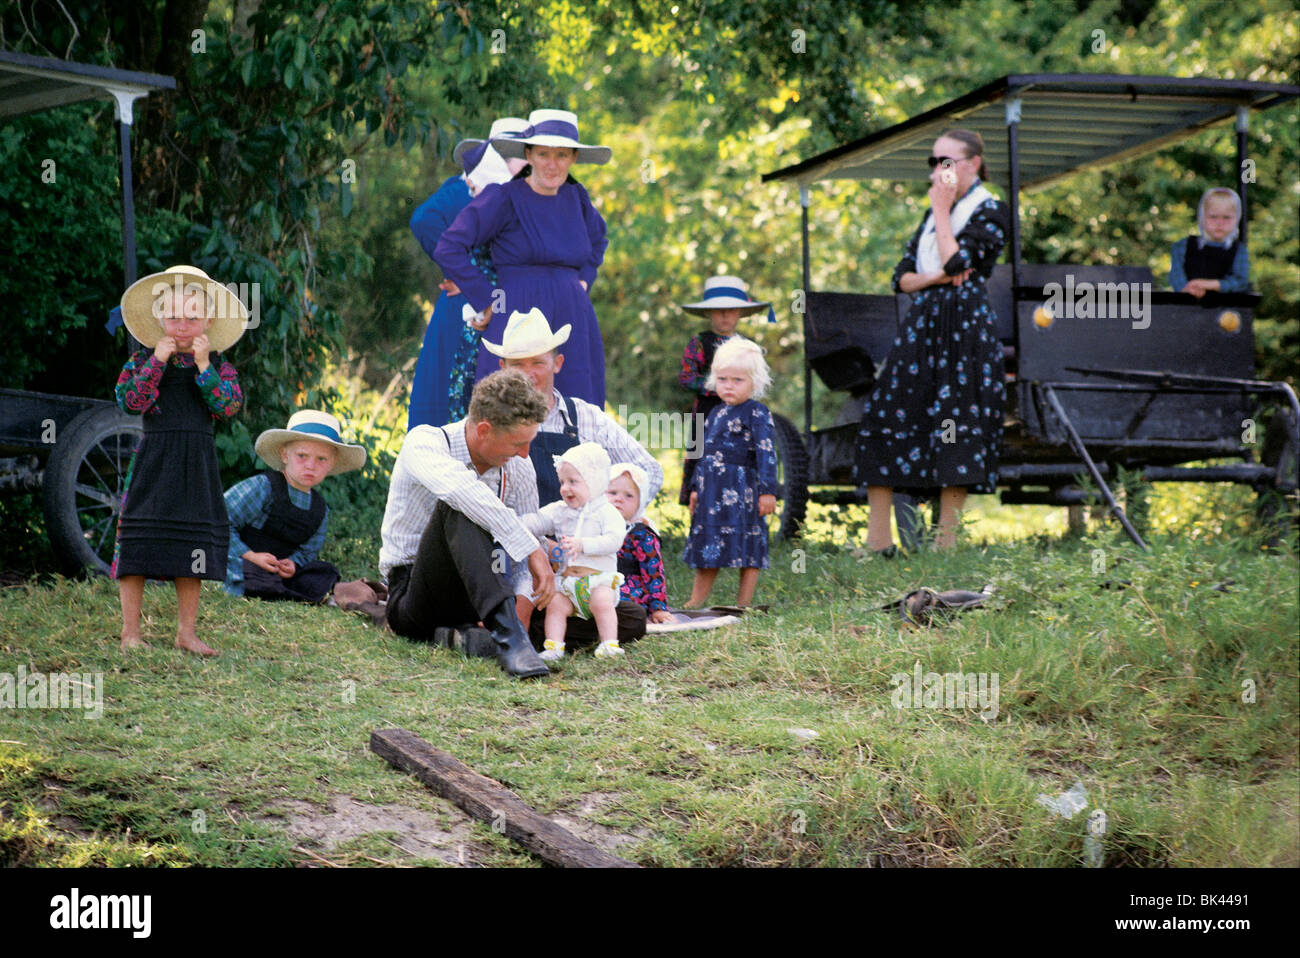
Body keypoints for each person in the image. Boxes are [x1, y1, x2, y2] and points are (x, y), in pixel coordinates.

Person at [853, 128, 1010, 553]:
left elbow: (960, 260)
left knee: (955, 424)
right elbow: (901, 278)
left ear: (974, 163)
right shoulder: (928, 218)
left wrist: (942, 212)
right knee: (886, 414)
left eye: (948, 162)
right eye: (934, 162)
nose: (940, 171)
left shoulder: (991, 211)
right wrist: (937, 275)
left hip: (964, 329)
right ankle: (878, 540)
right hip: (923, 324)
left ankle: (946, 541)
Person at [379, 370, 554, 679]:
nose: (525, 453)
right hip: (416, 593)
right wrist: (530, 547)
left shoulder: (519, 466)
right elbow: (462, 492)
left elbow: (531, 541)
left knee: (625, 618)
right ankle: (509, 640)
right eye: (517, 443)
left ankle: (478, 634)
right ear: (484, 430)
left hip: (488, 586)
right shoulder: (424, 443)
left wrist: (524, 605)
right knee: (460, 507)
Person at [112, 265, 248, 656]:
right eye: (173, 316)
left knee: (194, 548)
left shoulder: (218, 364)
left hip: (197, 461)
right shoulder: (141, 360)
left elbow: (228, 407)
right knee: (138, 542)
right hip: (154, 458)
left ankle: (186, 633)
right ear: (159, 318)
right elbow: (129, 401)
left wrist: (204, 367)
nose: (182, 325)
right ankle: (130, 632)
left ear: (207, 320)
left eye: (192, 317)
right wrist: (156, 362)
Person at [434, 108, 611, 407]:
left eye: (562, 155)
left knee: (576, 406)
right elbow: (449, 245)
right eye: (543, 154)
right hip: (515, 308)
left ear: (574, 158)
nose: (552, 165)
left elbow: (598, 241)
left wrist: (584, 280)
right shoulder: (503, 198)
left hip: (573, 316)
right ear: (528, 154)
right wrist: (487, 300)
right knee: (510, 408)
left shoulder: (577, 198)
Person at [408, 117, 529, 430]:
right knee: (454, 397)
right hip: (470, 306)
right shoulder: (468, 189)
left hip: (500, 304)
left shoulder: (523, 194)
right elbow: (423, 220)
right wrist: (466, 274)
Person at [483, 306, 663, 509]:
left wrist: (603, 518)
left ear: (557, 363)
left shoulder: (586, 417)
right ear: (502, 367)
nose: (528, 374)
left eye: (537, 363)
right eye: (518, 365)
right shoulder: (488, 422)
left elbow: (650, 471)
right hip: (514, 537)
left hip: (580, 538)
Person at [223, 410, 367, 603]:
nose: (310, 465)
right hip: (240, 557)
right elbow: (220, 520)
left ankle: (275, 587)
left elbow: (308, 551)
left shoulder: (319, 510)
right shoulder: (263, 487)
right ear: (285, 455)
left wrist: (293, 564)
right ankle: (260, 585)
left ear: (331, 463)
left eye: (321, 459)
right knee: (229, 564)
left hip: (276, 570)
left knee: (325, 572)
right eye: (302, 455)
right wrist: (251, 556)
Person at [683, 338, 779, 608]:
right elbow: (703, 455)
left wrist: (768, 491)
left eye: (738, 380)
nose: (728, 385)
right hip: (711, 494)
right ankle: (695, 600)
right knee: (708, 544)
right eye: (723, 379)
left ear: (754, 383)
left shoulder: (757, 413)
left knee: (749, 546)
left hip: (744, 494)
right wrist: (694, 489)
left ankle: (744, 603)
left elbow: (767, 453)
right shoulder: (714, 413)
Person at [519, 443, 626, 662]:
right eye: (562, 482)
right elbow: (535, 521)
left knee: (601, 602)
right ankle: (554, 646)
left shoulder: (606, 511)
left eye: (573, 482)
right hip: (568, 583)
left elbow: (615, 540)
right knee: (556, 605)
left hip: (597, 580)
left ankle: (609, 644)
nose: (565, 488)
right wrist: (515, 523)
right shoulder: (560, 511)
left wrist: (583, 544)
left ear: (593, 482)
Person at [677, 275, 774, 505]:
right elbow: (686, 376)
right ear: (709, 313)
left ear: (740, 312)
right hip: (705, 410)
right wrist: (717, 387)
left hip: (742, 411)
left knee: (741, 454)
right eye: (719, 310)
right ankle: (697, 503)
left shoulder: (747, 347)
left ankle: (740, 502)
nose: (725, 315)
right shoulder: (700, 342)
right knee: (699, 453)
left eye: (731, 310)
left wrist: (739, 391)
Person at [608, 461, 674, 625]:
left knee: (619, 603)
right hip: (599, 584)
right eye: (612, 492)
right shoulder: (595, 527)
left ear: (640, 501)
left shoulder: (641, 533)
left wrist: (658, 607)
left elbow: (654, 573)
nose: (619, 499)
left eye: (628, 495)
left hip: (629, 588)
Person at [1169, 187, 1250, 297]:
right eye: (1213, 217)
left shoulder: (1239, 251)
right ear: (1202, 217)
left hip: (1227, 311)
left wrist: (1208, 285)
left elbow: (1241, 282)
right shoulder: (1182, 247)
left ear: (1237, 219)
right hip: (1186, 308)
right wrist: (1188, 290)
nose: (1219, 223)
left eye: (1226, 217)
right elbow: (1176, 278)